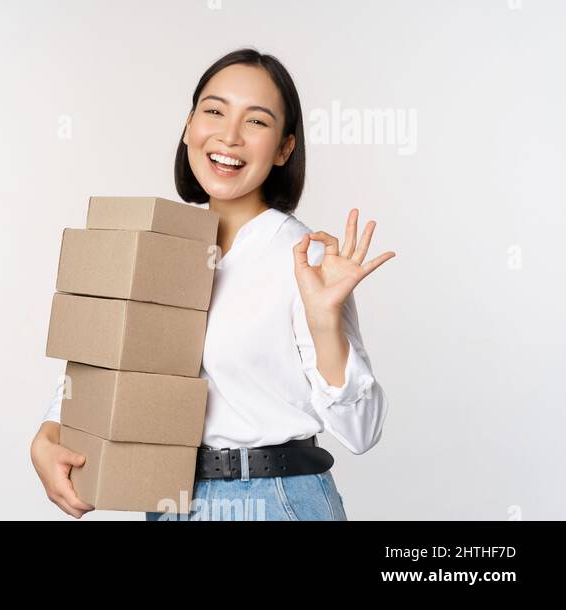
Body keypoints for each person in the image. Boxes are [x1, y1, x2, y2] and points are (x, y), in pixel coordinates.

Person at [29, 48, 396, 521]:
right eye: (215, 111)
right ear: (188, 126)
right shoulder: (160, 246)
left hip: (276, 501)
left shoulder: (306, 259)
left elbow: (361, 432)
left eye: (257, 122)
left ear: (285, 148)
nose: (229, 135)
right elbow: (109, 363)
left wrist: (325, 322)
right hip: (169, 498)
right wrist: (49, 433)